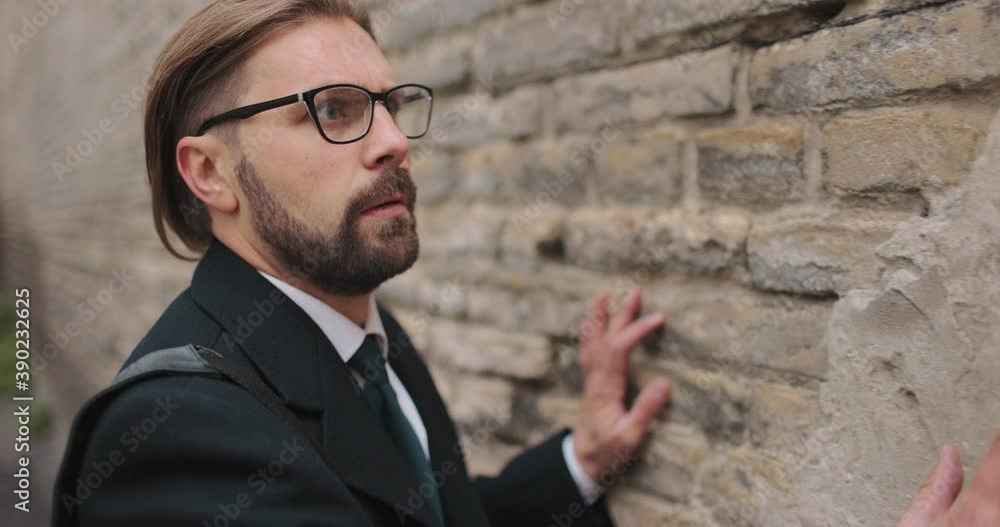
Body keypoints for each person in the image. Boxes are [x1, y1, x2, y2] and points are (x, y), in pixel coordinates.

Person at [54, 1, 1000, 526]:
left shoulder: (357, 331)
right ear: (209, 171)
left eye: (390, 104)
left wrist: (583, 456)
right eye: (334, 110)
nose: (393, 142)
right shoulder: (182, 434)